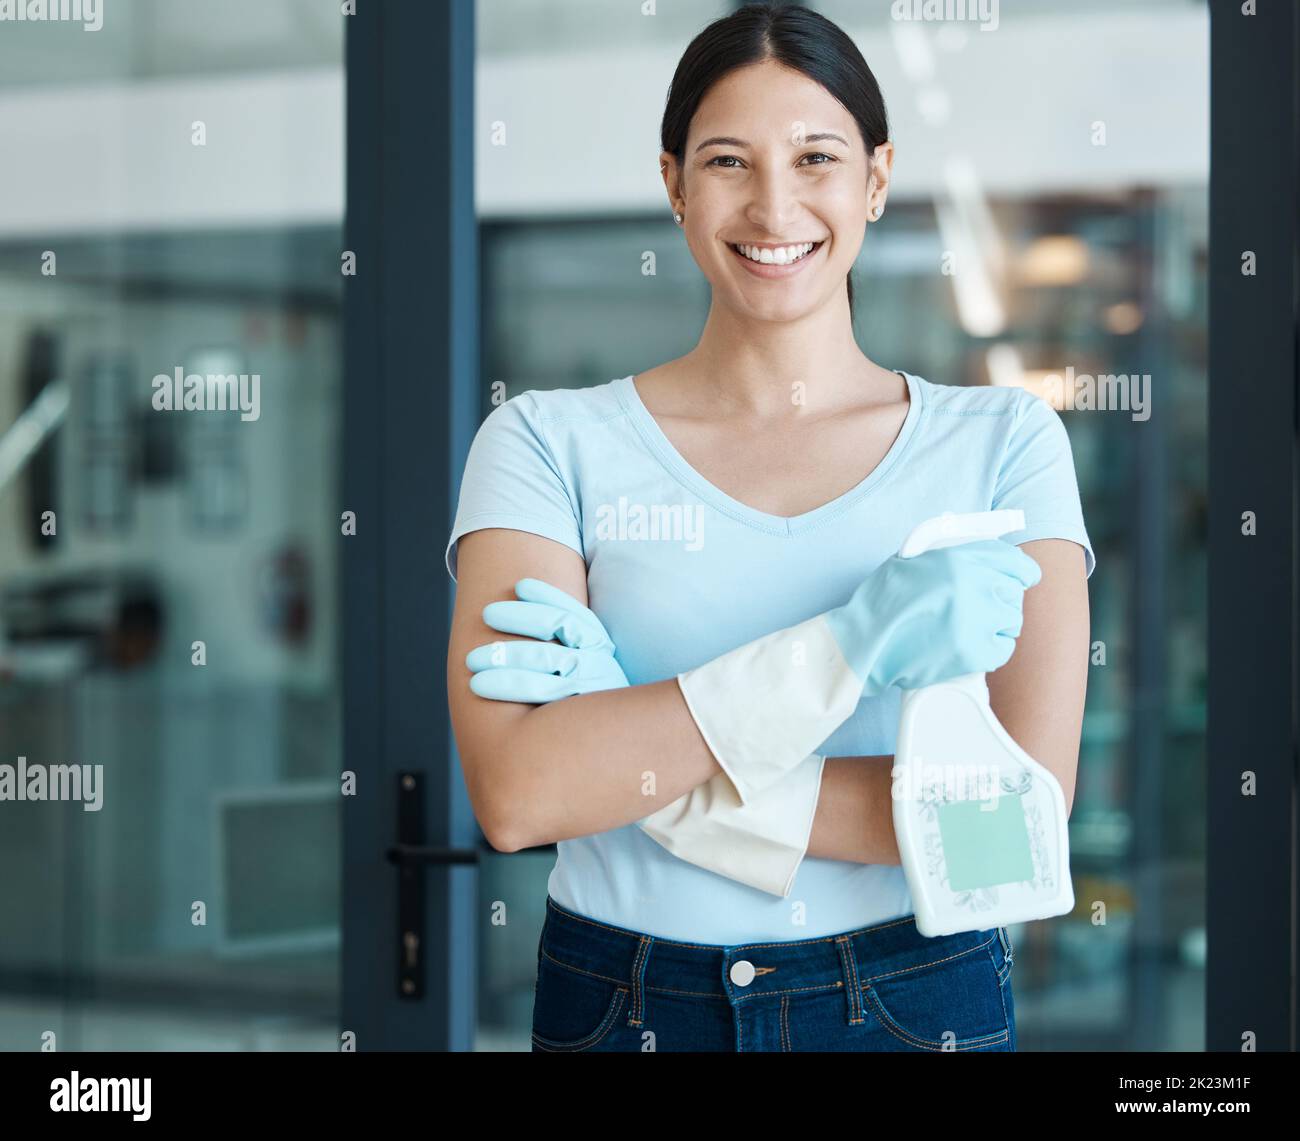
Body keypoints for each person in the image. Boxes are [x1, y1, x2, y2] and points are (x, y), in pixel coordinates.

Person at [445, 2, 1093, 1052]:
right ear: (674, 185)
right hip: (623, 997)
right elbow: (520, 796)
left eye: (816, 157)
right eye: (726, 162)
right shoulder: (543, 444)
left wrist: (636, 767)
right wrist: (848, 642)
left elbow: (1009, 826)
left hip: (909, 997)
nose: (772, 203)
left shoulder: (1002, 441)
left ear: (876, 179)